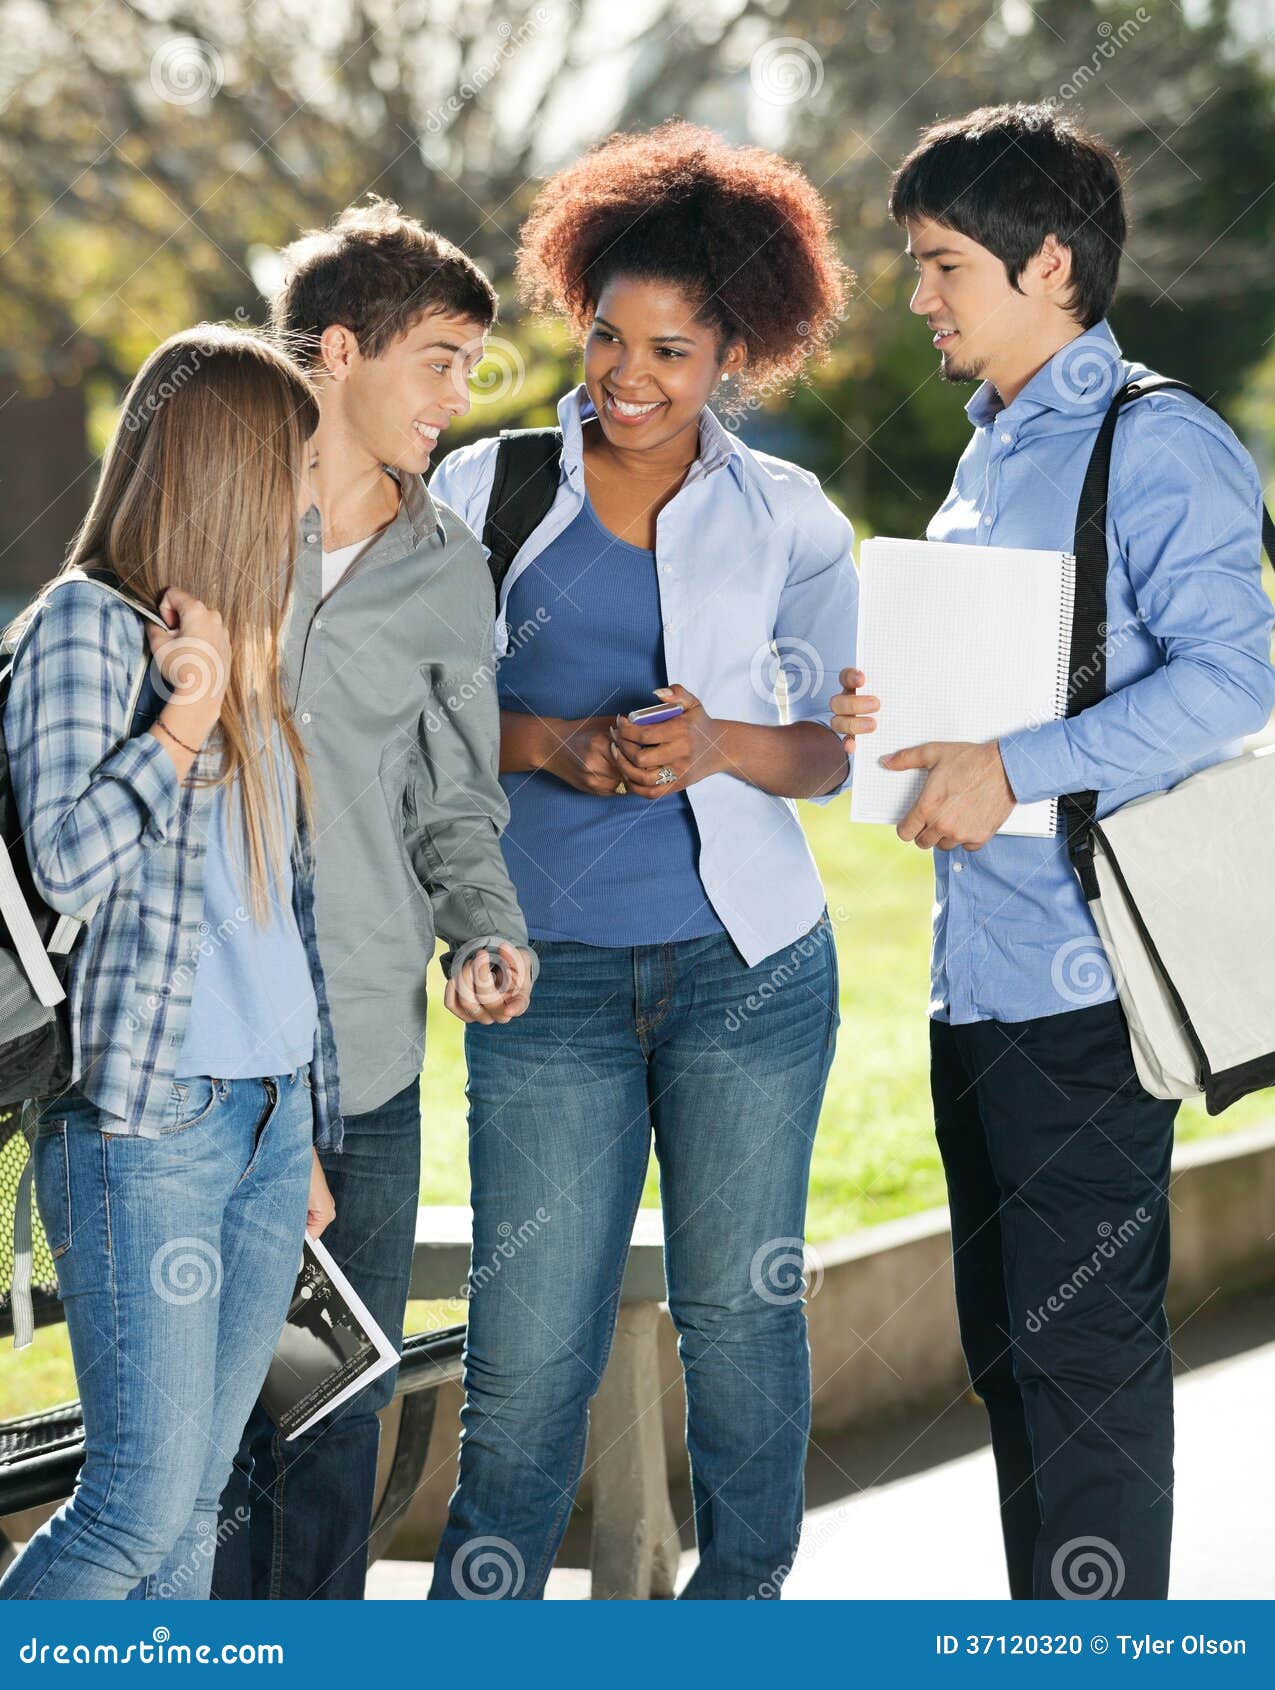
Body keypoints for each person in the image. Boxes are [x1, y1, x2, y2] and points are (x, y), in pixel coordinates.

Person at [833, 103, 1275, 1601]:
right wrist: (891, 713)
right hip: (976, 981)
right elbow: (1018, 680)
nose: (917, 294)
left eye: (941, 263)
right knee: (1017, 1357)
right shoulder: (989, 451)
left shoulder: (1157, 441)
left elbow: (1233, 680)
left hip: (1088, 988)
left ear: (1047, 265)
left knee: (1082, 1364)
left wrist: (1012, 763)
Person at [426, 121, 860, 1601]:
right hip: (541, 973)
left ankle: (737, 1616)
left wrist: (721, 743)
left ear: (734, 352)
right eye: (609, 336)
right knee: (528, 1349)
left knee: (740, 1319)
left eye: (672, 351)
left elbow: (827, 751)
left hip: (750, 974)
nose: (628, 375)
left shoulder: (788, 519)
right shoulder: (482, 492)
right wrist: (553, 744)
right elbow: (407, 718)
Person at [212, 199, 535, 1602]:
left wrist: (485, 926)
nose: (461, 393)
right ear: (338, 351)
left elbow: (455, 795)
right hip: (202, 1054)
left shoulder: (448, 564)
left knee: (336, 1414)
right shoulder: (207, 513)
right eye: (440, 360)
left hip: (366, 1055)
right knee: (204, 1426)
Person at [0, 325, 342, 1601]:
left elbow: (273, 908)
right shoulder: (87, 629)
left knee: (194, 1508)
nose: (309, 497)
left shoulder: (242, 644)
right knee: (132, 1512)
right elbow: (63, 861)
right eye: (296, 467)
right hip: (144, 1122)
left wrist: (296, 1119)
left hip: (262, 1118)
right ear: (231, 473)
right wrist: (185, 719)